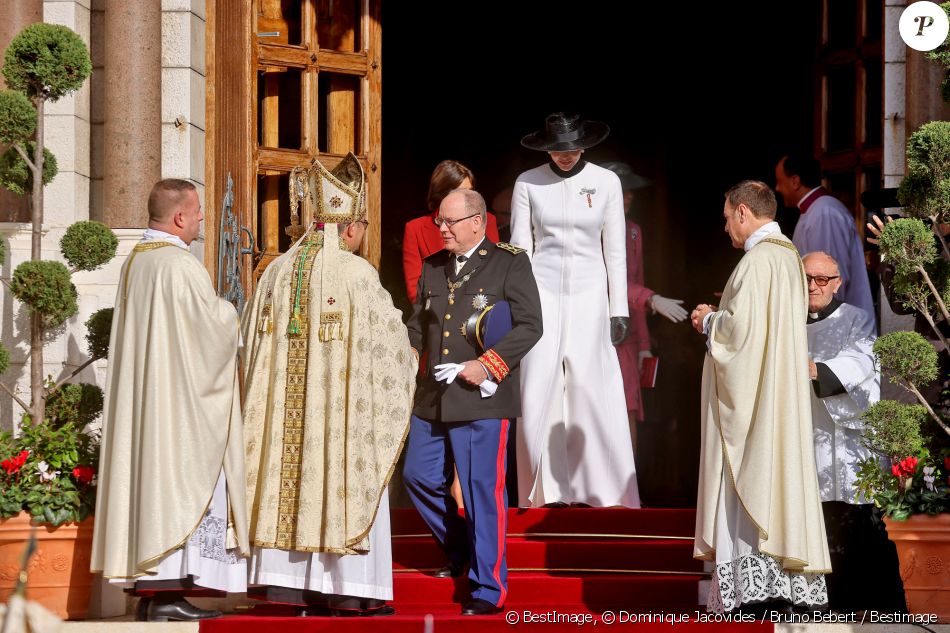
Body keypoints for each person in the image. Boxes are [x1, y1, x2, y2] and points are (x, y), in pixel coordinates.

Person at [241, 154, 416, 616]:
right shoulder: (357, 275)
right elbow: (391, 352)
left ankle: (284, 586)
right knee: (338, 469)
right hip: (337, 422)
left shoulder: (275, 272)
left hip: (281, 423)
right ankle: (347, 589)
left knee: (283, 467)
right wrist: (412, 357)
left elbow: (248, 348)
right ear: (350, 227)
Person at [91, 179, 249, 622]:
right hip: (177, 410)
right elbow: (211, 331)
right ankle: (166, 595)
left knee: (152, 486)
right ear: (179, 217)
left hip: (152, 404)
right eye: (197, 212)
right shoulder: (179, 266)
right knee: (178, 485)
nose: (201, 219)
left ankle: (152, 596)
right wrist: (234, 311)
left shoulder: (138, 261)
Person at [691, 180, 830, 614]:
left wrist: (708, 319)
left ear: (743, 212)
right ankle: (779, 588)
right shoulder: (788, 256)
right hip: (777, 396)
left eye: (727, 217)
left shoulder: (757, 261)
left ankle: (753, 594)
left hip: (754, 406)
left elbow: (739, 335)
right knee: (779, 484)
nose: (725, 227)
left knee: (750, 481)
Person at [403, 188, 542, 616]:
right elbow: (417, 327)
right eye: (439, 221)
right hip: (434, 397)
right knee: (417, 476)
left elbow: (530, 325)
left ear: (477, 222)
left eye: (450, 221)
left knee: (482, 489)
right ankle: (462, 549)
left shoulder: (509, 262)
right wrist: (402, 358)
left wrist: (487, 365)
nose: (441, 229)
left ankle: (488, 586)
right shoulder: (433, 266)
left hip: (482, 397)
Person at [509, 112, 640, 509]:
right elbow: (520, 249)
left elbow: (615, 250)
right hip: (542, 291)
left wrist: (619, 309)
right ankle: (543, 491)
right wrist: (519, 304)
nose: (565, 155)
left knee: (591, 385)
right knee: (538, 384)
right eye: (556, 149)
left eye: (572, 148)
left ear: (585, 145)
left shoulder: (606, 182)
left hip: (590, 292)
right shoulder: (527, 182)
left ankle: (602, 490)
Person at [802, 251, 907, 614]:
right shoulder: (784, 320)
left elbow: (861, 362)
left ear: (837, 283)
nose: (813, 286)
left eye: (822, 279)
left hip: (848, 440)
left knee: (859, 522)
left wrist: (817, 370)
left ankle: (877, 609)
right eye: (806, 278)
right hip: (806, 434)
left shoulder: (856, 318)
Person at [601, 161, 687, 445]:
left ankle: (628, 475)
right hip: (597, 337)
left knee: (629, 409)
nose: (630, 196)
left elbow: (635, 280)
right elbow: (606, 281)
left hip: (626, 337)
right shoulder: (591, 232)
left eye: (631, 190)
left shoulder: (633, 230)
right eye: (623, 190)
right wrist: (650, 298)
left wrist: (644, 346)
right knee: (600, 413)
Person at [774, 153, 875, 320]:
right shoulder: (815, 211)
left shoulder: (824, 213)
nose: (777, 188)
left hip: (837, 326)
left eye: (779, 181)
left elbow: (830, 278)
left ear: (795, 181)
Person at [403, 160, 500, 303]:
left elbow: (494, 272)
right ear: (441, 193)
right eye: (461, 192)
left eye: (471, 191)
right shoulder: (415, 228)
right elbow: (415, 291)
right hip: (434, 312)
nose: (469, 198)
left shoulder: (486, 220)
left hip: (477, 307)